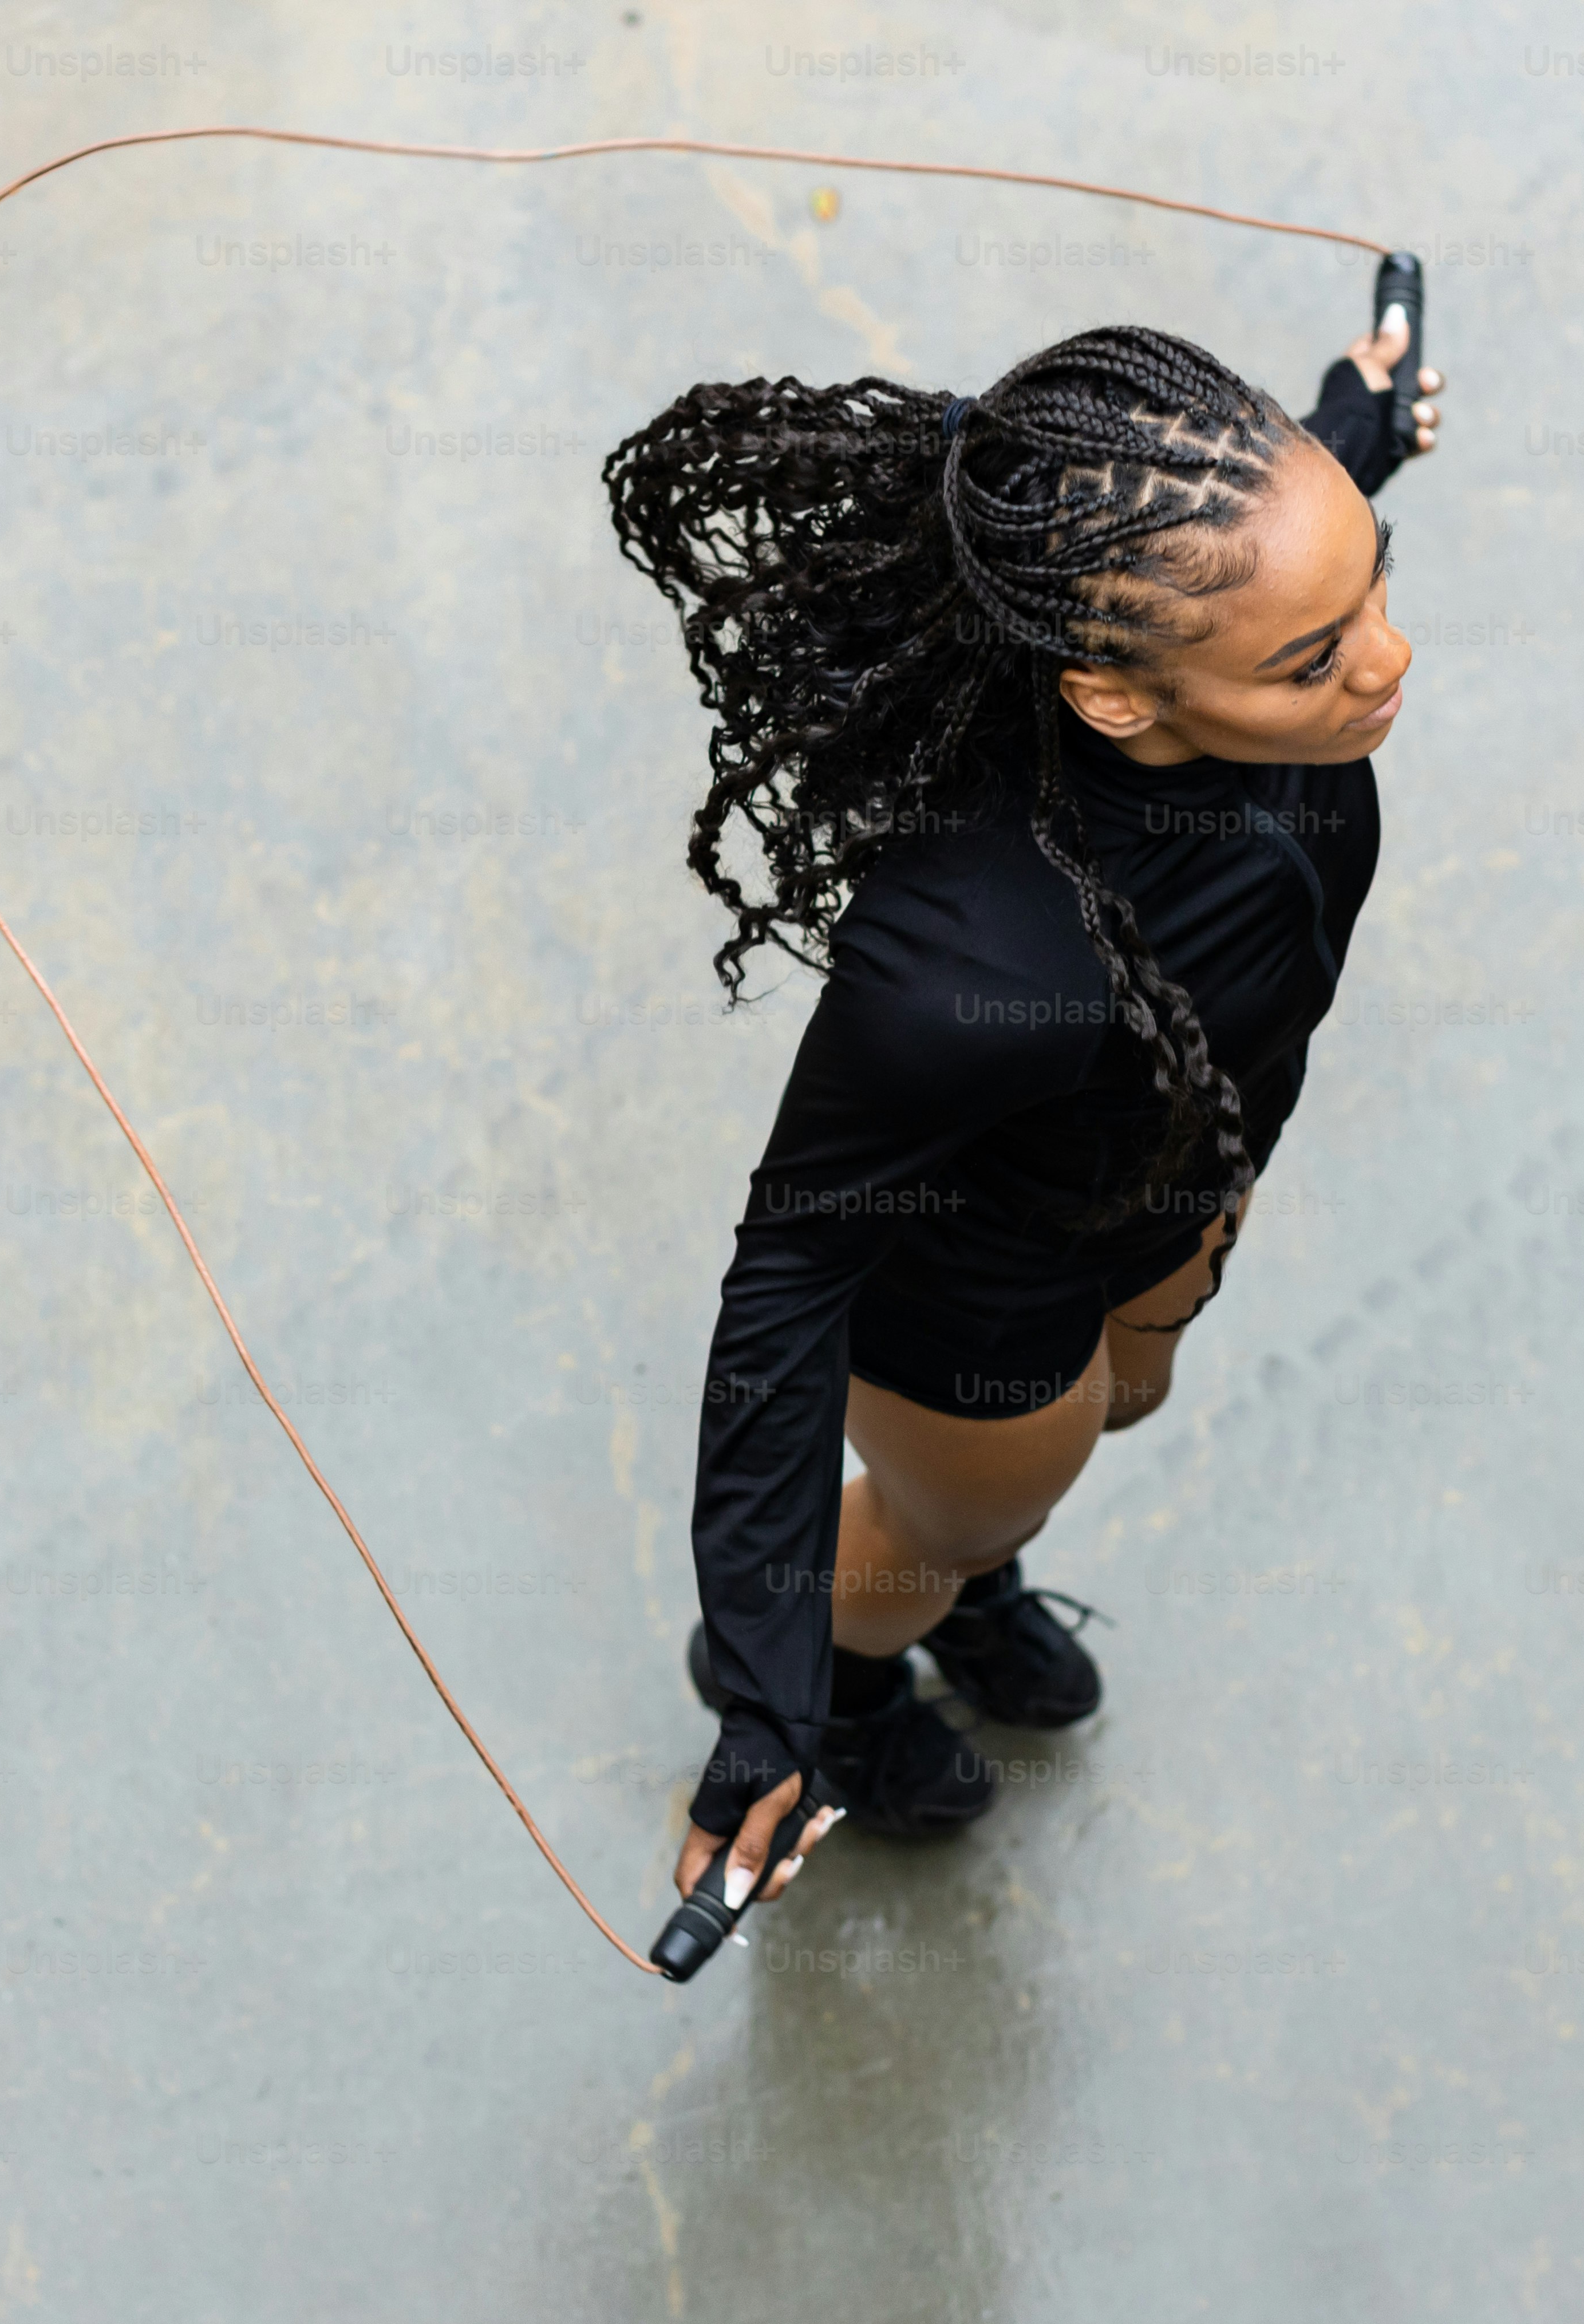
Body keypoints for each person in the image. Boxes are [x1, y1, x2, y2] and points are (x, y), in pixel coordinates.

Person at [598, 307, 1444, 1918]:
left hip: (1182, 1182)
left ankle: (962, 1578)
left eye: (1376, 580)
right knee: (943, 1519)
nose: (1388, 661)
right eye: (1316, 653)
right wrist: (766, 1712)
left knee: (1127, 1402)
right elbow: (785, 1283)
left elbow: (1296, 537)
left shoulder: (1231, 625)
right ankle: (858, 1674)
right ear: (1116, 699)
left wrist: (1361, 426)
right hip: (979, 1294)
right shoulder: (977, 955)